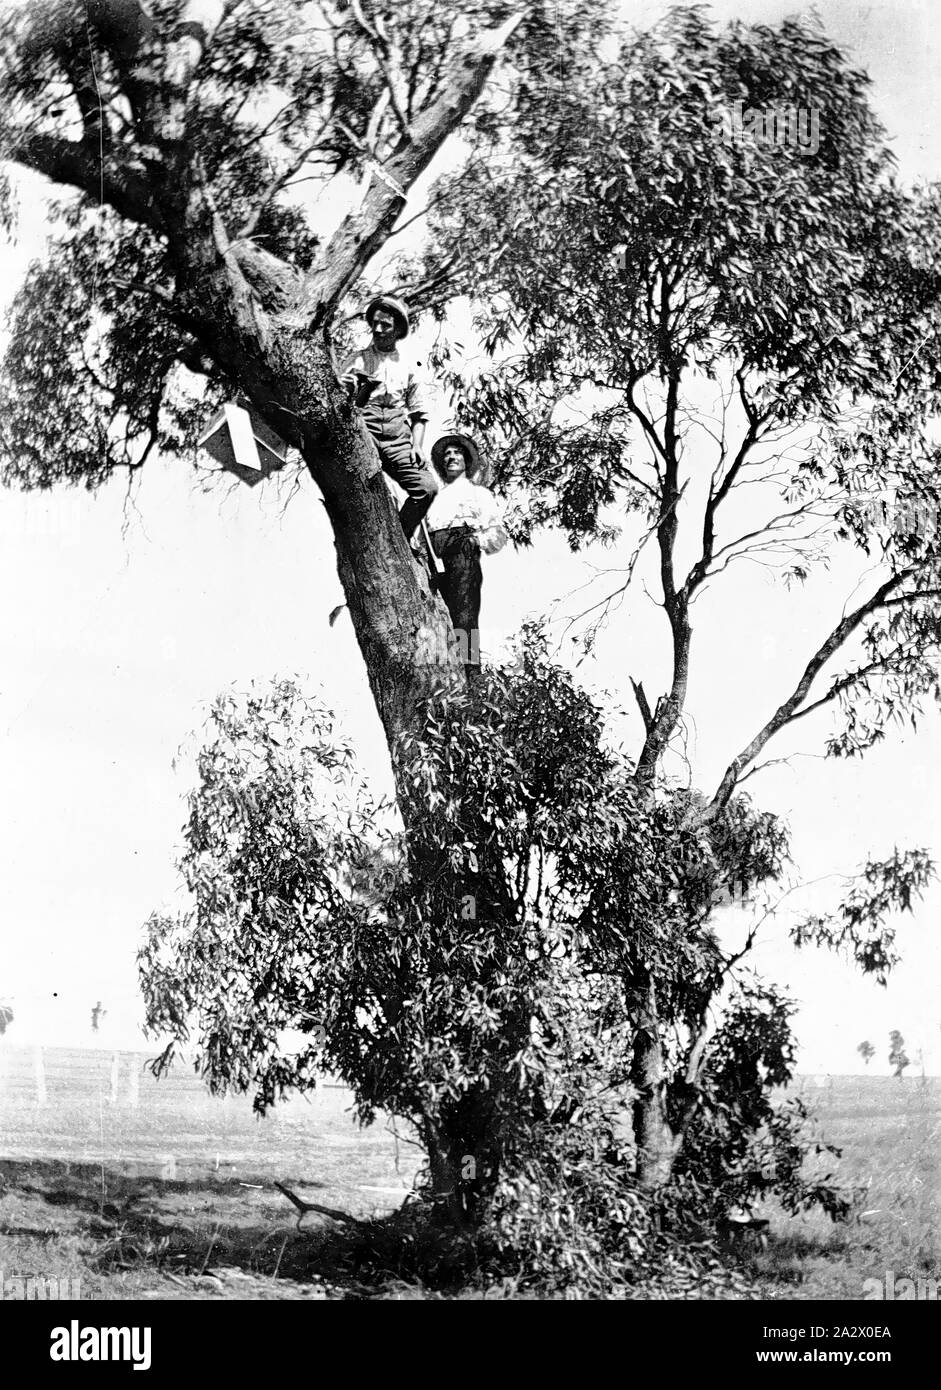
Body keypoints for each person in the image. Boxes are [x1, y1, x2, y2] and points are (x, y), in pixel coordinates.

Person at [339, 295, 438, 540]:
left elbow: (418, 413)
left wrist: (417, 446)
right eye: (375, 323)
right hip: (364, 425)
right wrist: (342, 386)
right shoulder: (357, 358)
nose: (378, 329)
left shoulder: (409, 364)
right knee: (366, 484)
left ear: (398, 330)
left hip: (397, 432)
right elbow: (336, 400)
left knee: (427, 488)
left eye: (385, 325)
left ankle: (401, 537)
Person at [425, 433, 508, 667]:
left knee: (464, 618)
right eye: (447, 454)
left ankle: (471, 677)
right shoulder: (434, 498)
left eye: (456, 453)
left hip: (462, 556)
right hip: (434, 557)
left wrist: (473, 542)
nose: (451, 457)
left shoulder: (478, 493)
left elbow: (497, 533)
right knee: (436, 620)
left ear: (466, 460)